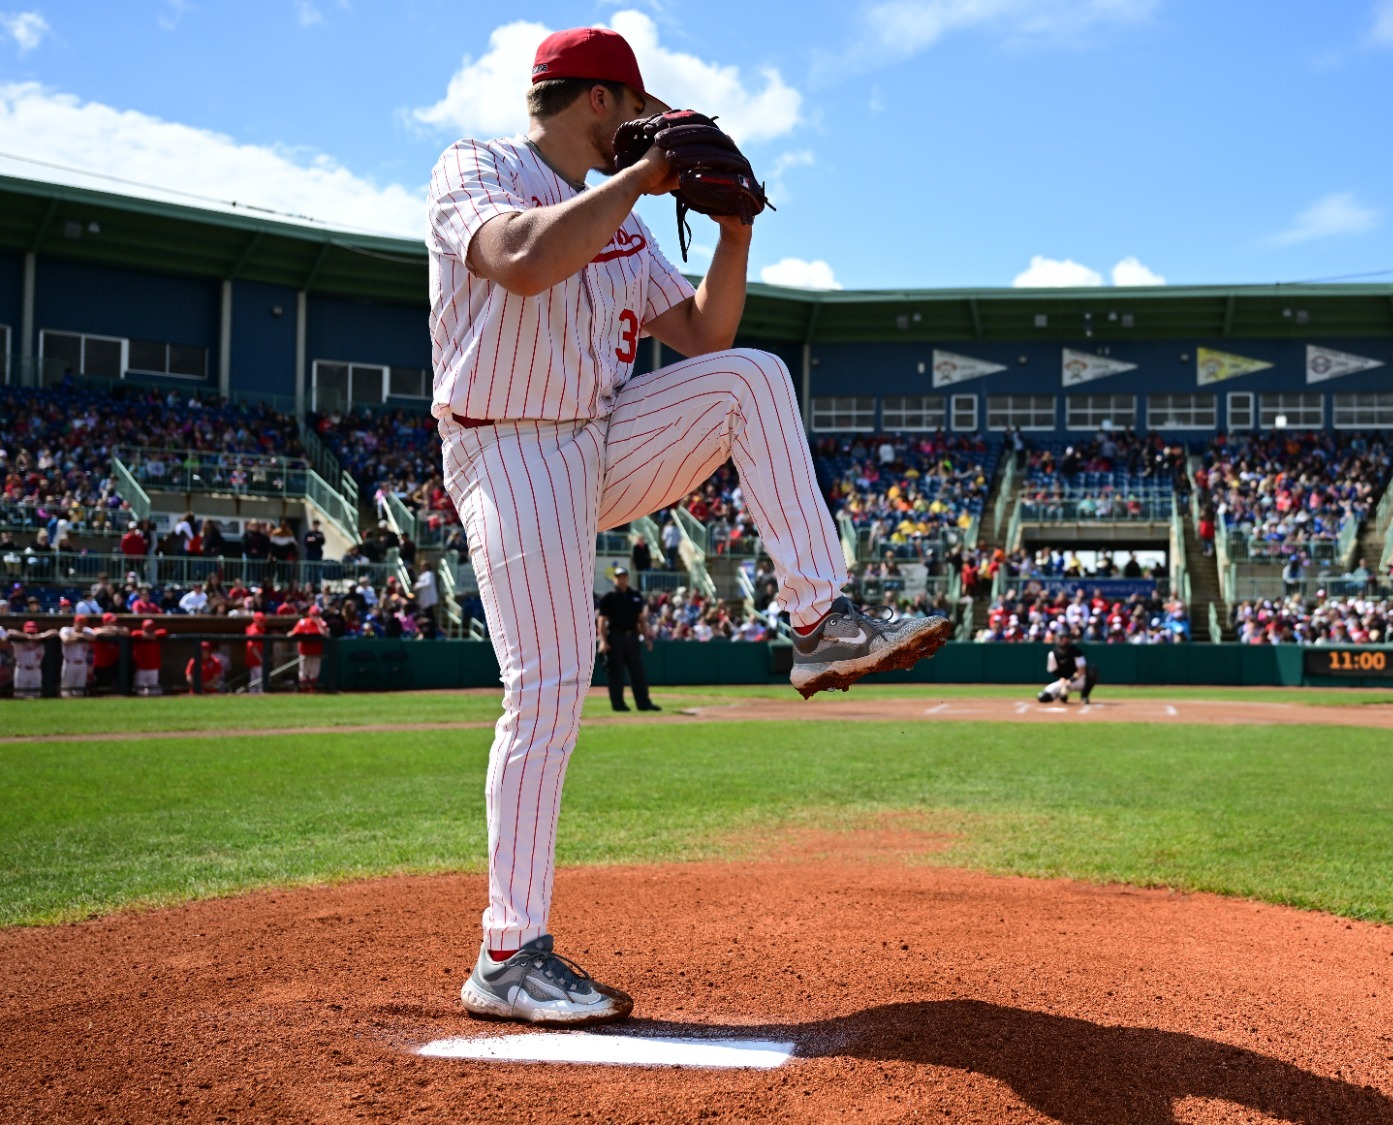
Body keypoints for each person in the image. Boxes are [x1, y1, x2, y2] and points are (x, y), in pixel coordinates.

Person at [428, 26, 952, 1028]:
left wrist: (734, 233)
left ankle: (818, 623)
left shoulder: (626, 223)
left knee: (751, 374)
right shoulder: (480, 165)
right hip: (509, 447)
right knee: (547, 683)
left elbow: (705, 334)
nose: (650, 129)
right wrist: (644, 179)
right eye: (638, 111)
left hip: (600, 433)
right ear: (598, 104)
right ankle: (508, 953)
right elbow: (522, 261)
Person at [595, 565, 657, 712]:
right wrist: (603, 640)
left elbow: (640, 619)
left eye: (624, 577)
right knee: (616, 673)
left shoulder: (635, 595)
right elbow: (602, 620)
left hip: (632, 636)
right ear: (614, 579)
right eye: (619, 577)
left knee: (638, 672)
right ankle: (618, 704)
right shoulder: (608, 597)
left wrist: (646, 637)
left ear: (627, 578)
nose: (622, 580)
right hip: (615, 637)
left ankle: (644, 703)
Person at [1037, 631, 1090, 704]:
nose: (1064, 641)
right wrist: (1061, 678)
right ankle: (1061, 695)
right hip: (1063, 681)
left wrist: (1070, 680)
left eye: (1066, 639)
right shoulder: (1053, 654)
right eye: (1062, 639)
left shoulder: (1076, 651)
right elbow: (1052, 670)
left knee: (1092, 670)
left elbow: (1082, 670)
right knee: (1043, 697)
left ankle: (1084, 696)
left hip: (1077, 681)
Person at [289, 607, 329, 692]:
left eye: (316, 615)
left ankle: (312, 690)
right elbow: (292, 634)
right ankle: (304, 691)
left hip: (316, 652)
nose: (315, 616)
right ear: (309, 614)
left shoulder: (322, 623)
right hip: (304, 651)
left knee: (314, 672)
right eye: (313, 614)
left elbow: (325, 635)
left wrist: (318, 623)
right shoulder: (303, 622)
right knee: (303, 672)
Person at [58, 614, 94, 699]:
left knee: (79, 692)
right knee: (66, 692)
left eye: (83, 623)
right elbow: (65, 639)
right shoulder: (66, 629)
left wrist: (78, 636)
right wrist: (81, 637)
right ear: (74, 622)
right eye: (79, 623)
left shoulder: (87, 631)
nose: (81, 625)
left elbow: (93, 637)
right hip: (69, 663)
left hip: (82, 664)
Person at [92, 613, 126, 695]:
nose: (114, 624)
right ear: (105, 622)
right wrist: (112, 631)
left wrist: (114, 631)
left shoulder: (119, 629)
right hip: (100, 665)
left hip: (113, 665)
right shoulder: (97, 629)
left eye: (114, 622)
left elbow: (126, 631)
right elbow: (95, 633)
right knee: (99, 689)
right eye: (111, 622)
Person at [130, 618, 165, 696]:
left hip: (153, 668)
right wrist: (146, 636)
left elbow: (164, 632)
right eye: (147, 628)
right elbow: (134, 633)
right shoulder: (138, 635)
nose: (149, 630)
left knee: (154, 691)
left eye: (151, 628)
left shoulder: (157, 635)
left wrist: (152, 635)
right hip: (140, 668)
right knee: (141, 691)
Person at [9, 621, 43, 699]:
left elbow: (53, 632)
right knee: (19, 696)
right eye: (29, 632)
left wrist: (38, 636)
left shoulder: (41, 640)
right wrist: (27, 636)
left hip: (35, 670)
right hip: (22, 670)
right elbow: (10, 632)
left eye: (32, 632)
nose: (31, 634)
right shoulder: (18, 641)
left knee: (35, 696)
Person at [244, 611, 270, 694]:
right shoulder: (254, 630)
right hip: (255, 658)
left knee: (254, 679)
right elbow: (253, 647)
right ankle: (260, 694)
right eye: (260, 621)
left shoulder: (259, 629)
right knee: (261, 678)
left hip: (256, 657)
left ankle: (253, 695)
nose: (262, 623)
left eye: (263, 621)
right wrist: (261, 659)